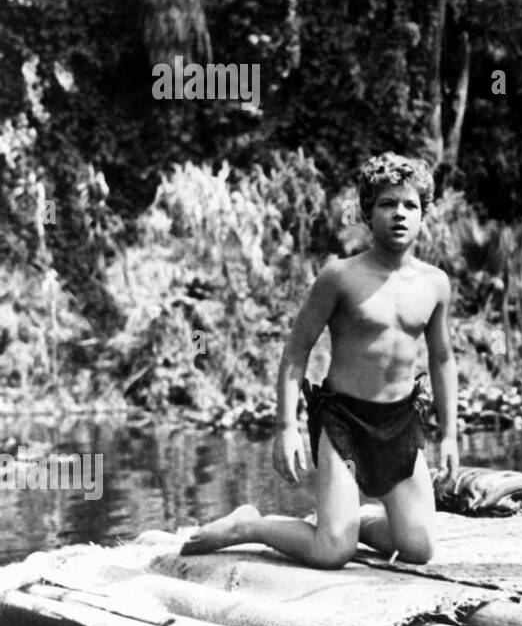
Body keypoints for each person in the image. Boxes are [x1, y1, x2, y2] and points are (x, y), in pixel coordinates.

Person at [182, 153, 459, 568]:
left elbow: (442, 359)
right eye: (387, 204)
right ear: (367, 214)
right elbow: (296, 352)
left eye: (409, 205)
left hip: (400, 423)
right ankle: (249, 525)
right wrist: (286, 427)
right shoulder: (339, 276)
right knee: (332, 552)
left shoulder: (435, 284)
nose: (399, 214)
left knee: (418, 549)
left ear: (423, 215)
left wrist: (451, 433)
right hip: (343, 421)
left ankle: (359, 522)